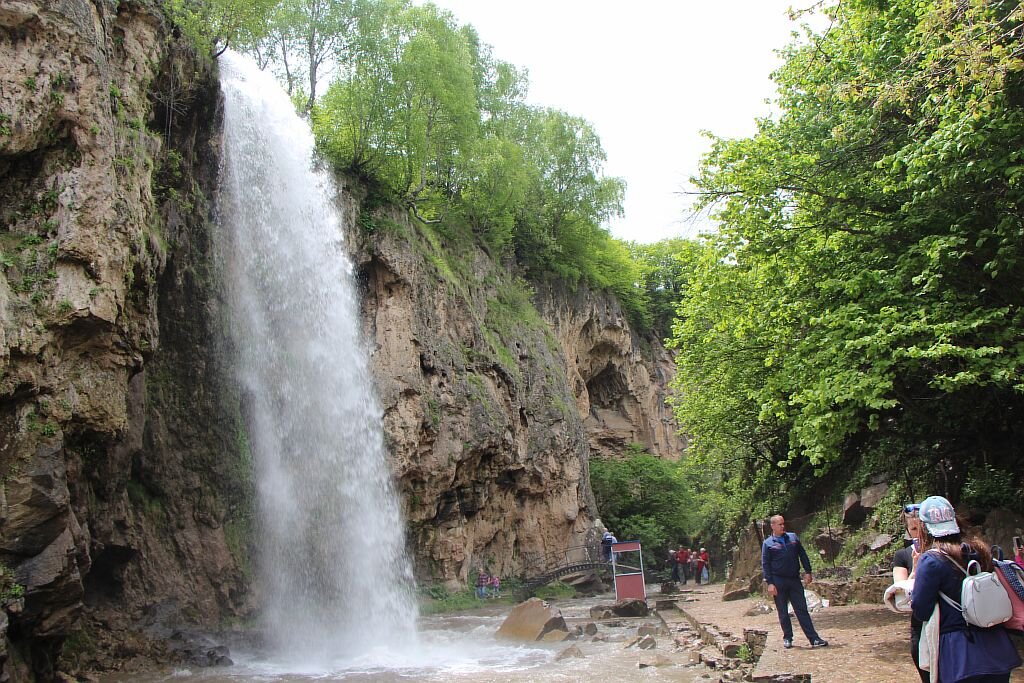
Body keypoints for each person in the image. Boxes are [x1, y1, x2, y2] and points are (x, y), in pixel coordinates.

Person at [911, 495, 1021, 683]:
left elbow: (921, 610)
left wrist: (915, 574)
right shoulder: (980, 550)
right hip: (997, 645)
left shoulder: (931, 560)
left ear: (924, 527)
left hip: (960, 651)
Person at [761, 514, 829, 649]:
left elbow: (802, 555)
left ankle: (814, 639)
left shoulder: (792, 538)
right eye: (779, 524)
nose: (782, 526)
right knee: (783, 611)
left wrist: (808, 571)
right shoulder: (767, 543)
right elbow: (765, 564)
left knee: (802, 609)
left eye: (783, 524)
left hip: (794, 580)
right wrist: (770, 583)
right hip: (778, 581)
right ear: (773, 526)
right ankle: (787, 637)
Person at [893, 503, 928, 683]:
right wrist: (915, 569)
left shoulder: (943, 550)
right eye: (913, 528)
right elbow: (900, 593)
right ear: (908, 530)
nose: (918, 532)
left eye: (921, 527)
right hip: (920, 621)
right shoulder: (902, 555)